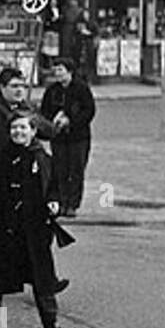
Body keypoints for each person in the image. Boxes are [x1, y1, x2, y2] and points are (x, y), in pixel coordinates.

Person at [0, 110, 74, 328]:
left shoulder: (42, 158)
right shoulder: (0, 159)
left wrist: (54, 201)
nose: (18, 132)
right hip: (5, 229)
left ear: (33, 132)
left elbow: (53, 184)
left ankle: (51, 327)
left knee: (43, 281)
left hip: (33, 230)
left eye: (23, 128)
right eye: (14, 128)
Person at [39, 56, 96, 216]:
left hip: (78, 137)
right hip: (58, 137)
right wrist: (53, 121)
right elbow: (45, 111)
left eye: (60, 69)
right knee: (60, 170)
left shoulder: (81, 88)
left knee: (76, 170)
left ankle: (73, 203)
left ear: (69, 71)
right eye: (55, 69)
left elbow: (89, 111)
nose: (57, 73)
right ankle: (61, 202)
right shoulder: (52, 90)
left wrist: (71, 120)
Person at [0, 66, 56, 167]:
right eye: (14, 86)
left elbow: (49, 132)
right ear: (2, 87)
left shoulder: (26, 110)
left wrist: (32, 117)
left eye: (23, 86)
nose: (20, 90)